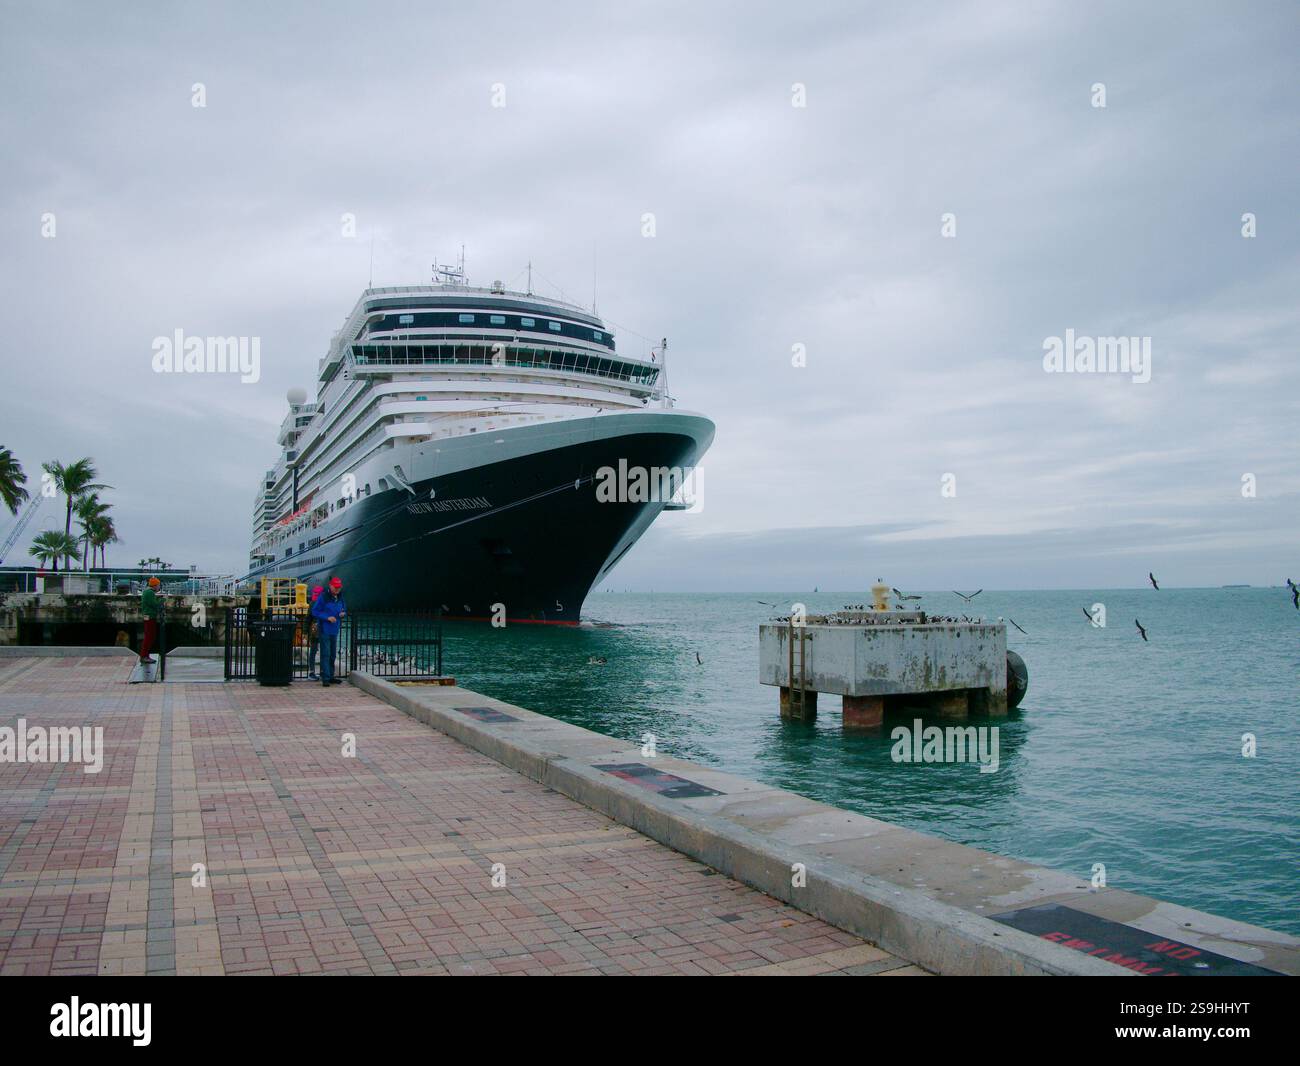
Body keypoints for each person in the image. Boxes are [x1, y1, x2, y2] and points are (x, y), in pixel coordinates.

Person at [311, 576, 346, 686]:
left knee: (332, 654)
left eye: (339, 587)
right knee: (325, 653)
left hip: (334, 629)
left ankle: (331, 676)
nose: (337, 589)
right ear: (330, 586)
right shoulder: (323, 597)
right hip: (325, 629)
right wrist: (327, 617)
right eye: (335, 587)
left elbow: (344, 607)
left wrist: (342, 613)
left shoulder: (340, 597)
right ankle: (325, 678)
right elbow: (315, 611)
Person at [139, 576, 162, 664]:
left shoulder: (147, 592)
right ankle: (144, 656)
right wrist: (162, 600)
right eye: (158, 585)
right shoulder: (150, 593)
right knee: (149, 636)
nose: (159, 587)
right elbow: (154, 604)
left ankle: (146, 655)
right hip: (150, 617)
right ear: (155, 585)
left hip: (147, 616)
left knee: (149, 636)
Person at [306, 585, 324, 679]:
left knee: (313, 651)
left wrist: (305, 632)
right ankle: (322, 671)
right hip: (323, 630)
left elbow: (308, 619)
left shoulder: (312, 603)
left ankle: (312, 672)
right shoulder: (323, 603)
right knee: (323, 651)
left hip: (314, 631)